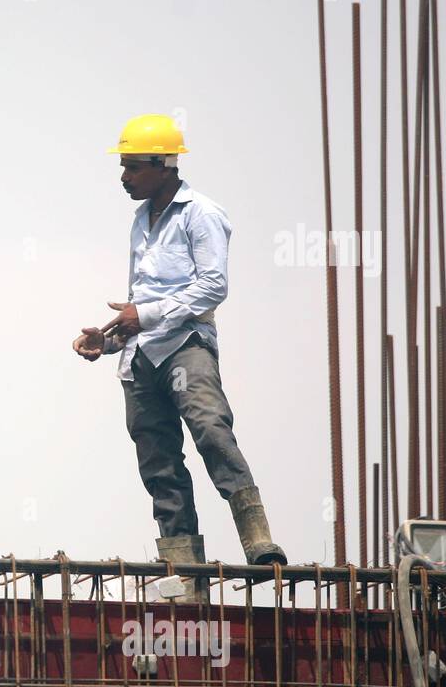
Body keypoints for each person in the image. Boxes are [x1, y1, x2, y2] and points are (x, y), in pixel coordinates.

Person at [72, 114, 286, 601]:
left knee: (211, 430)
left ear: (163, 166)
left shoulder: (201, 214)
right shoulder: (140, 221)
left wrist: (142, 317)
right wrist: (108, 341)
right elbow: (140, 300)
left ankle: (257, 539)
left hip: (185, 347)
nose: (123, 177)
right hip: (142, 356)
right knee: (160, 465)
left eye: (132, 167)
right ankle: (185, 576)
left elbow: (213, 287)